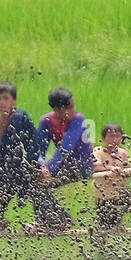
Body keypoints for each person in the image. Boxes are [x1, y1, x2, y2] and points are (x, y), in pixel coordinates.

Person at [0, 82, 62, 230]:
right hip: (10, 168)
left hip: (24, 168)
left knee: (0, 190)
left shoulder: (18, 117)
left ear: (13, 100)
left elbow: (10, 150)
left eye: (6, 98)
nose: (2, 102)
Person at [32, 88, 93, 229]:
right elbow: (39, 150)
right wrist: (41, 167)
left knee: (42, 183)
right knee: (35, 180)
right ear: (57, 109)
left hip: (82, 164)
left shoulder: (78, 119)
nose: (73, 110)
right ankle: (57, 218)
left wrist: (48, 169)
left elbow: (66, 148)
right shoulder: (46, 121)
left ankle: (55, 221)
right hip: (62, 165)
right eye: (70, 108)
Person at [91, 122, 131, 234]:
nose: (114, 139)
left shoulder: (123, 153)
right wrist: (111, 169)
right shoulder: (97, 152)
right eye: (111, 136)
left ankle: (114, 237)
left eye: (117, 136)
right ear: (103, 138)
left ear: (122, 138)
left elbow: (130, 167)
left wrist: (129, 171)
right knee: (105, 224)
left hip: (119, 193)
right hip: (103, 195)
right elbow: (95, 166)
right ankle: (100, 241)